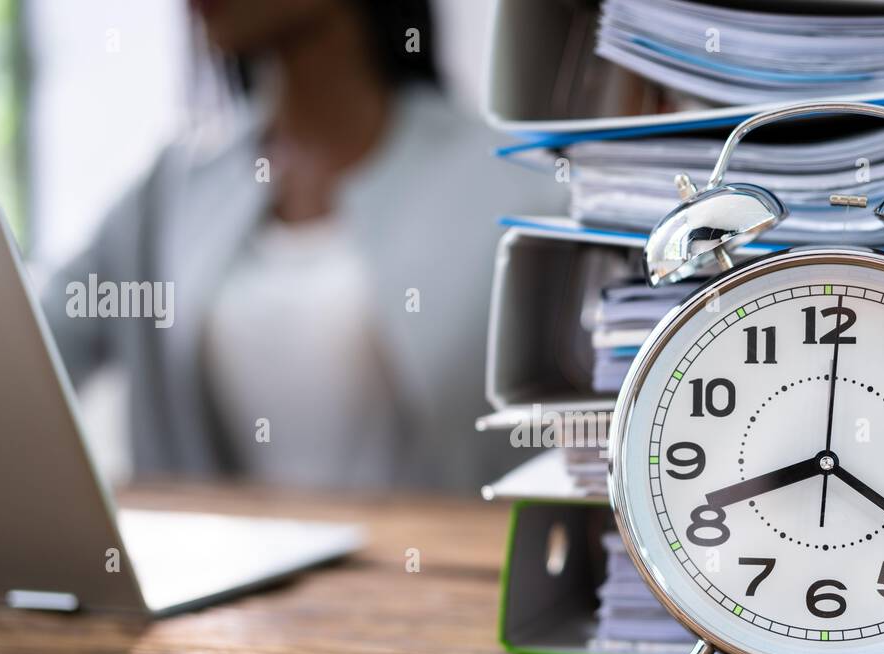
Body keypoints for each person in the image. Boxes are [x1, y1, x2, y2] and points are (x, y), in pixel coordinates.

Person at [40, 0, 555, 492]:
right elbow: (30, 344)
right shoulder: (171, 191)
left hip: (443, 575)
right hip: (230, 577)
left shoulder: (519, 186)